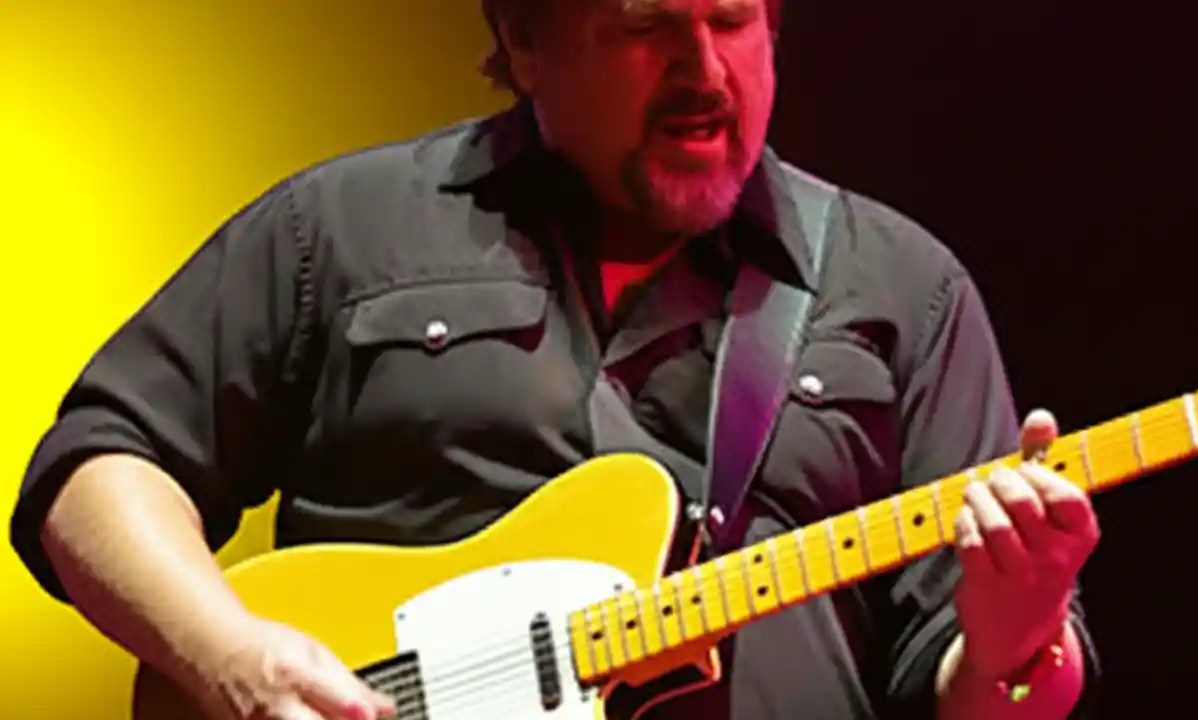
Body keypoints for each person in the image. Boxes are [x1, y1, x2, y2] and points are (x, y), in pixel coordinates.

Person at [9, 1, 1103, 718]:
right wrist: (225, 658)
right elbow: (99, 467)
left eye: (732, 19)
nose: (702, 70)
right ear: (525, 38)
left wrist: (1017, 635)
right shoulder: (346, 227)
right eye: (646, 25)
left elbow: (985, 698)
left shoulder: (902, 287)